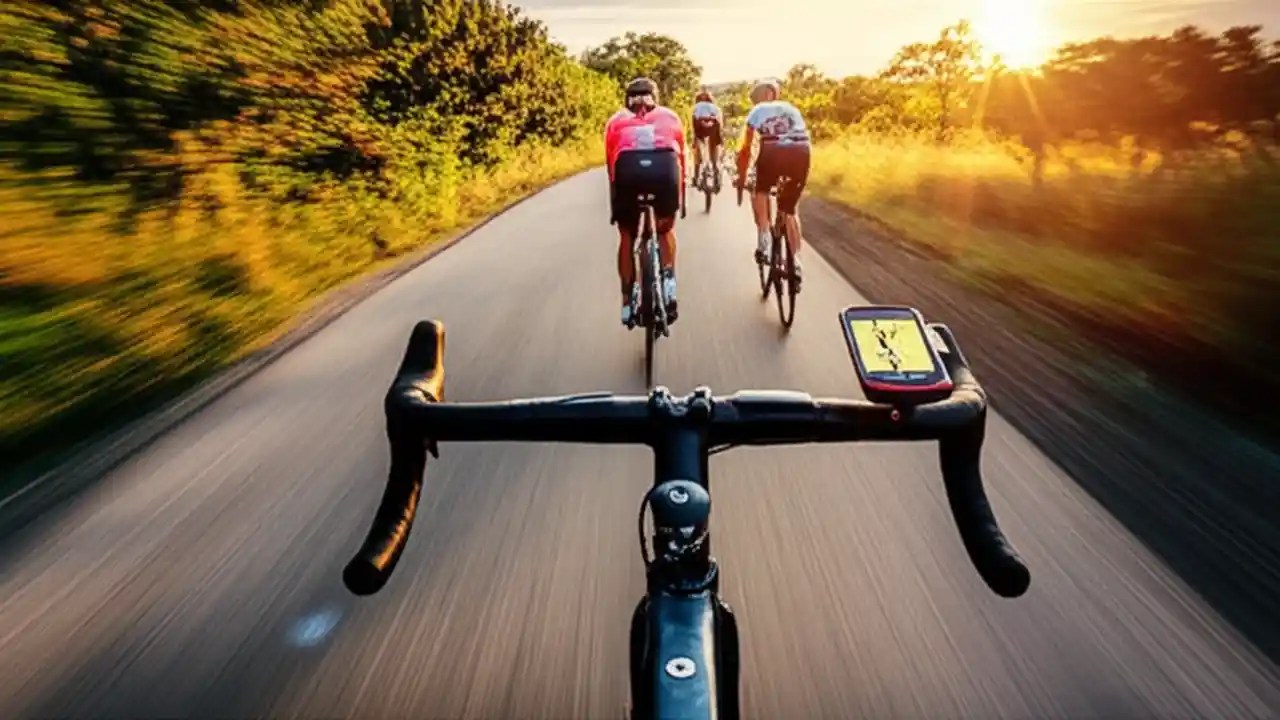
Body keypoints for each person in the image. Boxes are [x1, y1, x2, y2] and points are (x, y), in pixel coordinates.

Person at [604, 77, 687, 327]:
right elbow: (682, 161)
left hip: (628, 170)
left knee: (627, 234)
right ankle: (669, 283)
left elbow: (611, 169)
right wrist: (680, 202)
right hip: (665, 168)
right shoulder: (671, 117)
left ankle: (628, 302)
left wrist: (616, 209)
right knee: (665, 229)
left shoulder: (615, 121)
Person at [736, 79, 811, 286]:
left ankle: (763, 236)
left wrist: (742, 177)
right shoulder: (791, 108)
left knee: (760, 190)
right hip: (801, 151)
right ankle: (795, 261)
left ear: (758, 98)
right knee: (790, 210)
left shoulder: (756, 112)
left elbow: (746, 149)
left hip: (772, 151)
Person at [690, 89, 724, 192]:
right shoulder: (716, 108)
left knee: (697, 156)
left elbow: (694, 122)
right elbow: (720, 124)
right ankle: (717, 175)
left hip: (700, 131)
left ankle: (695, 178)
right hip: (714, 131)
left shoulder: (696, 107)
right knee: (714, 156)